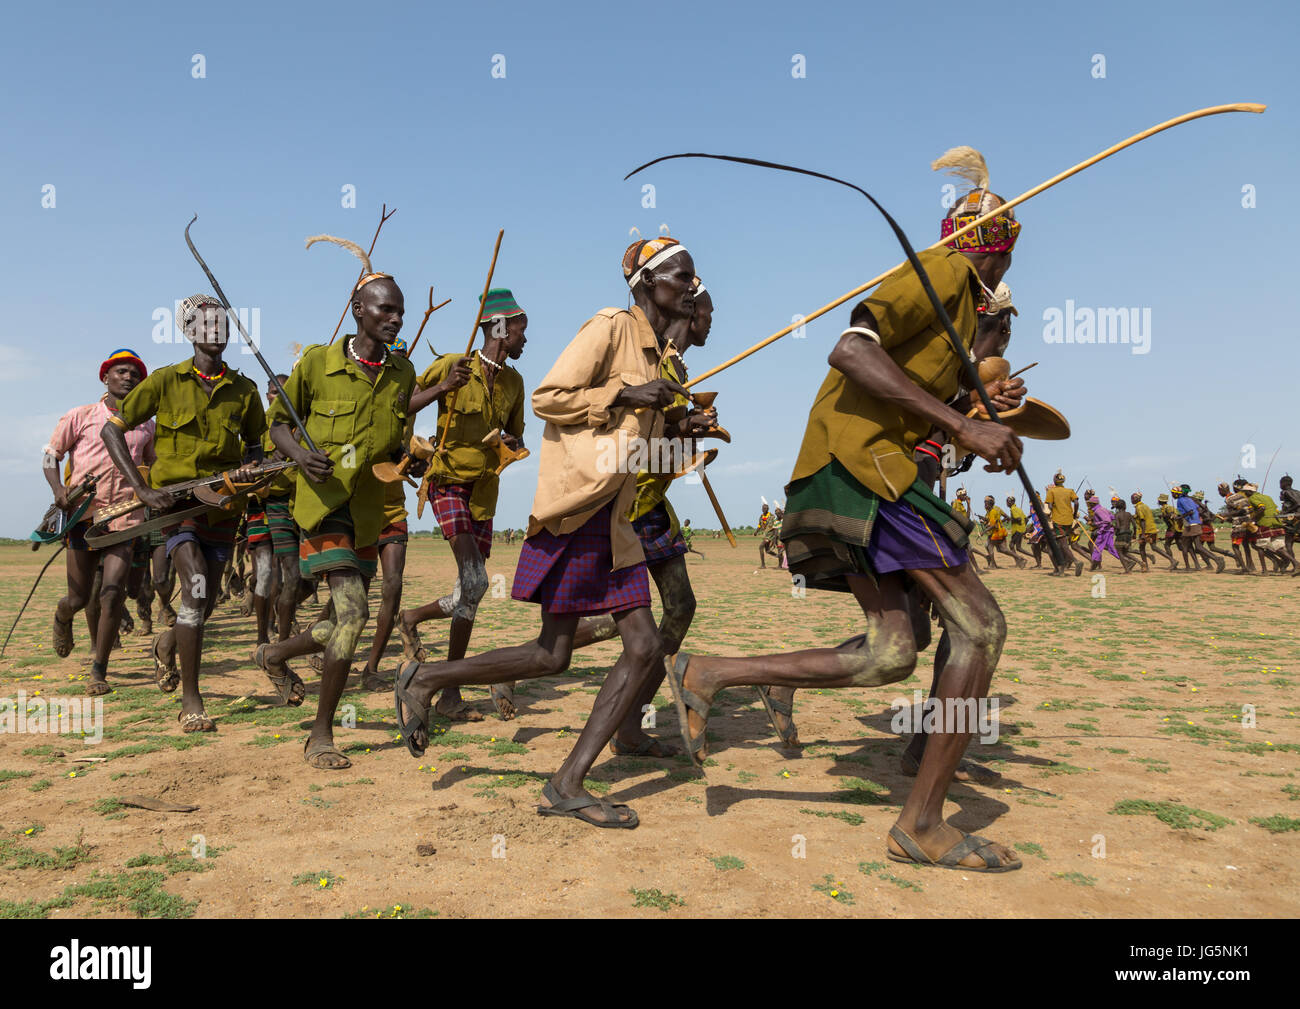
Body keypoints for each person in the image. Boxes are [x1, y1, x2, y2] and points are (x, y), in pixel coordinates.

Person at [668, 154, 1027, 871]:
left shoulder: (959, 308)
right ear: (1003, 248)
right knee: (980, 626)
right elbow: (851, 351)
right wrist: (964, 423)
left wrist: (975, 410)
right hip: (862, 468)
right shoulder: (943, 271)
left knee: (893, 650)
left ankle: (709, 672)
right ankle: (921, 823)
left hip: (850, 470)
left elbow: (905, 396)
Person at [393, 233, 701, 827]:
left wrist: (682, 429)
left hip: (615, 517)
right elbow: (549, 397)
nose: (691, 287)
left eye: (693, 278)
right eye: (681, 277)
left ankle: (427, 678)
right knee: (583, 651)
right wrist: (626, 392)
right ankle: (564, 781)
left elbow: (637, 446)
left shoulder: (657, 356)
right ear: (647, 283)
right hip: (579, 510)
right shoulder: (612, 327)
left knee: (568, 653)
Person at [255, 244, 435, 768]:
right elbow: (279, 425)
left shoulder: (402, 374)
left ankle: (274, 653)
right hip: (322, 503)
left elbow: (393, 441)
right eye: (386, 309)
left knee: (337, 622)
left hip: (368, 511)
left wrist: (408, 460)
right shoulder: (317, 363)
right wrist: (299, 456)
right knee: (354, 611)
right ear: (358, 310)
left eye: (400, 311)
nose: (395, 319)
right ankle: (321, 733)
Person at [567, 275, 720, 755]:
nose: (710, 321)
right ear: (689, 313)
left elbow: (662, 438)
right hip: (623, 505)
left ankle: (631, 720)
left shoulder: (676, 369)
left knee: (680, 607)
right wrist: (677, 426)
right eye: (707, 311)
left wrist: (690, 427)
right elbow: (621, 430)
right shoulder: (644, 359)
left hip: (652, 504)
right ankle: (538, 657)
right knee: (637, 628)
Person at [103, 298, 267, 731]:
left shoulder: (245, 390)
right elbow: (111, 430)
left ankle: (166, 644)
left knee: (204, 602)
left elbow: (257, 446)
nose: (215, 329)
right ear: (189, 331)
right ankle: (192, 700)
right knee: (194, 587)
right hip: (177, 506)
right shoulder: (164, 381)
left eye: (222, 323)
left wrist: (250, 468)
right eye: (205, 323)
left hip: (222, 508)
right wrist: (142, 488)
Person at [394, 291, 528, 718]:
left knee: (468, 591)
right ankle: (447, 686)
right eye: (521, 330)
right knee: (475, 579)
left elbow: (518, 436)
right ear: (500, 329)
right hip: (447, 482)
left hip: (484, 492)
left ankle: (415, 623)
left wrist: (511, 443)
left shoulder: (514, 383)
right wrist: (442, 388)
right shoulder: (453, 364)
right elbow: (402, 406)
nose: (526, 339)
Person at [44, 349, 155, 695]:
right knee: (78, 598)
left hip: (126, 517)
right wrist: (58, 489)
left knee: (112, 593)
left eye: (135, 374)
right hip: (84, 515)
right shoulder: (80, 416)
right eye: (121, 372)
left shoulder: (146, 425)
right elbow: (50, 456)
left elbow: (152, 466)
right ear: (105, 377)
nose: (128, 378)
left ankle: (99, 670)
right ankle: (63, 616)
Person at [1174, 484, 1223, 572]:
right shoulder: (1190, 499)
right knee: (1197, 547)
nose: (1172, 495)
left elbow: (1190, 511)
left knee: (1184, 546)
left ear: (1178, 493)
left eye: (1173, 493)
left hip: (1190, 525)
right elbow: (1200, 509)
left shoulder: (1180, 500)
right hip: (1197, 524)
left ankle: (1188, 568)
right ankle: (1214, 560)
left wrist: (1179, 517)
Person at [1083, 492, 1134, 572]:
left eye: (1090, 503)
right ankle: (1128, 561)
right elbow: (1112, 517)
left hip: (1104, 532)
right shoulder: (1103, 509)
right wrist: (1092, 520)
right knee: (1111, 549)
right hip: (1109, 531)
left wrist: (1095, 524)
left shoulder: (1098, 511)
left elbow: (1107, 521)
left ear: (1093, 504)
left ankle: (1094, 567)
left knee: (1097, 549)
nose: (1088, 505)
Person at [1044, 471, 1083, 576]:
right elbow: (1076, 502)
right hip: (1069, 521)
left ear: (1054, 481)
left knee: (1063, 545)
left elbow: (1049, 506)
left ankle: (1076, 562)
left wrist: (1052, 510)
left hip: (1058, 521)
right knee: (1061, 545)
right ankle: (1060, 570)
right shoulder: (1070, 491)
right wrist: (1074, 514)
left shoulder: (1051, 492)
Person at [1131, 490, 1174, 571]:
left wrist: (1143, 534)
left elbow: (1143, 521)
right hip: (1152, 529)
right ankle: (1172, 560)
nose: (1131, 500)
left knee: (1142, 549)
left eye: (1132, 498)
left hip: (1146, 531)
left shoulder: (1139, 507)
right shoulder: (1145, 506)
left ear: (1137, 499)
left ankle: (1145, 567)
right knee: (1154, 547)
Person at [981, 494, 1024, 568]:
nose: (985, 504)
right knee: (1002, 549)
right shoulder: (991, 511)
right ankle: (1019, 558)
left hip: (996, 532)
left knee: (990, 547)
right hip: (1000, 531)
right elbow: (994, 521)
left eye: (986, 502)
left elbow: (993, 525)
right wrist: (986, 521)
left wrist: (984, 531)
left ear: (990, 503)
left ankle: (993, 565)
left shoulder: (993, 511)